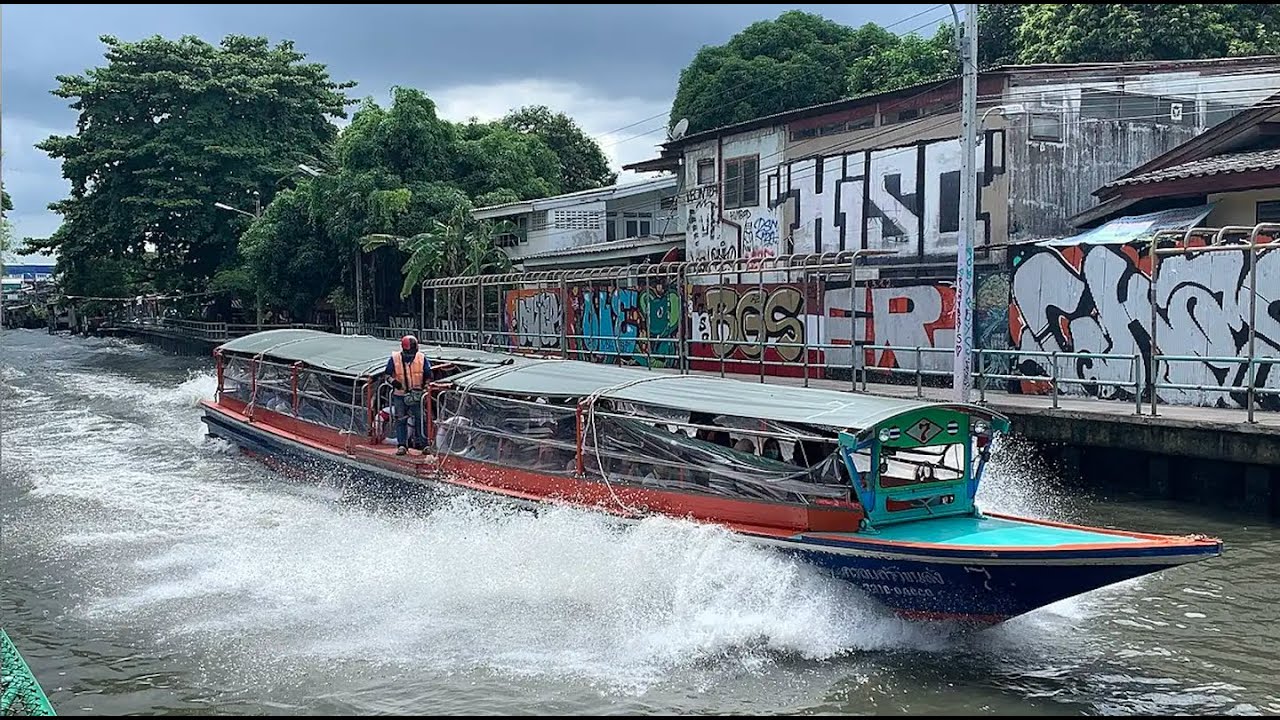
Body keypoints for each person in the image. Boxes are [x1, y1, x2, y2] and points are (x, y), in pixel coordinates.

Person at [385, 334, 431, 456]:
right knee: (401, 420)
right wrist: (394, 382)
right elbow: (387, 376)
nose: (411, 355)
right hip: (400, 395)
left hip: (417, 395)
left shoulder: (421, 358)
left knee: (421, 419)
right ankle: (402, 445)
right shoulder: (394, 359)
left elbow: (428, 374)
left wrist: (425, 387)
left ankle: (424, 444)